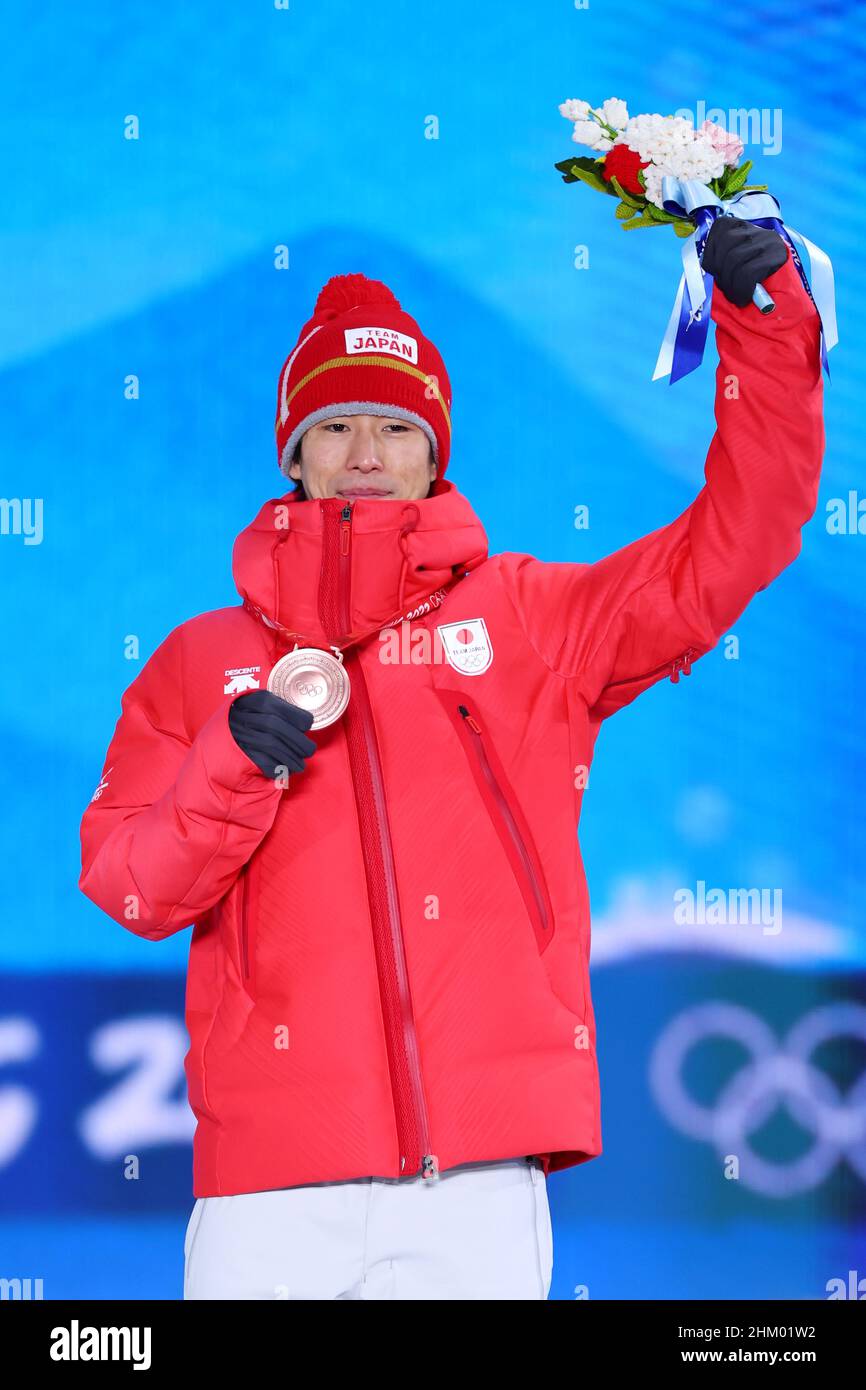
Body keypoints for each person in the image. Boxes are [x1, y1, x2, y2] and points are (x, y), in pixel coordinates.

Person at [78, 221, 824, 1299]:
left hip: (473, 1180)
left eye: (395, 426)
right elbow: (132, 883)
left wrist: (764, 328)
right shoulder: (206, 661)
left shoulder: (531, 620)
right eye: (334, 426)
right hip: (268, 1186)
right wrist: (226, 770)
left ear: (436, 451)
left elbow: (736, 537)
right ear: (292, 452)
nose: (366, 454)